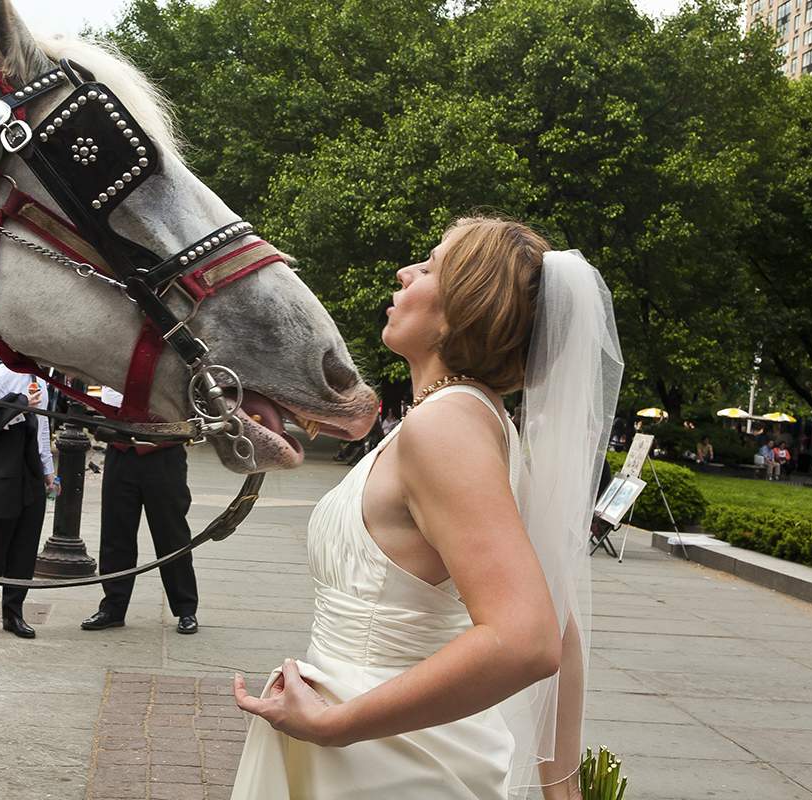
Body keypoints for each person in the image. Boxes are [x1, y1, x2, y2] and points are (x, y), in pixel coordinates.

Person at [230, 217, 622, 799]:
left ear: (465, 305)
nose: (404, 272)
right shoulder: (473, 418)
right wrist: (561, 788)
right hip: (384, 743)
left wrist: (338, 725)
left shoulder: (447, 426)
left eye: (431, 265)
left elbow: (528, 638)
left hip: (382, 760)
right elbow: (559, 620)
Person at [80, 386, 199, 635]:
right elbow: (109, 398)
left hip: (164, 455)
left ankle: (186, 608)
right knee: (115, 535)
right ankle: (113, 608)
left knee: (171, 535)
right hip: (121, 451)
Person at [0, 364, 55, 641]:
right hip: (3, 468)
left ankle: (13, 613)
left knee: (25, 548)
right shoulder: (2, 375)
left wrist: (48, 469)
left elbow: (42, 425)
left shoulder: (40, 379)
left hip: (31, 472)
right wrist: (19, 408)